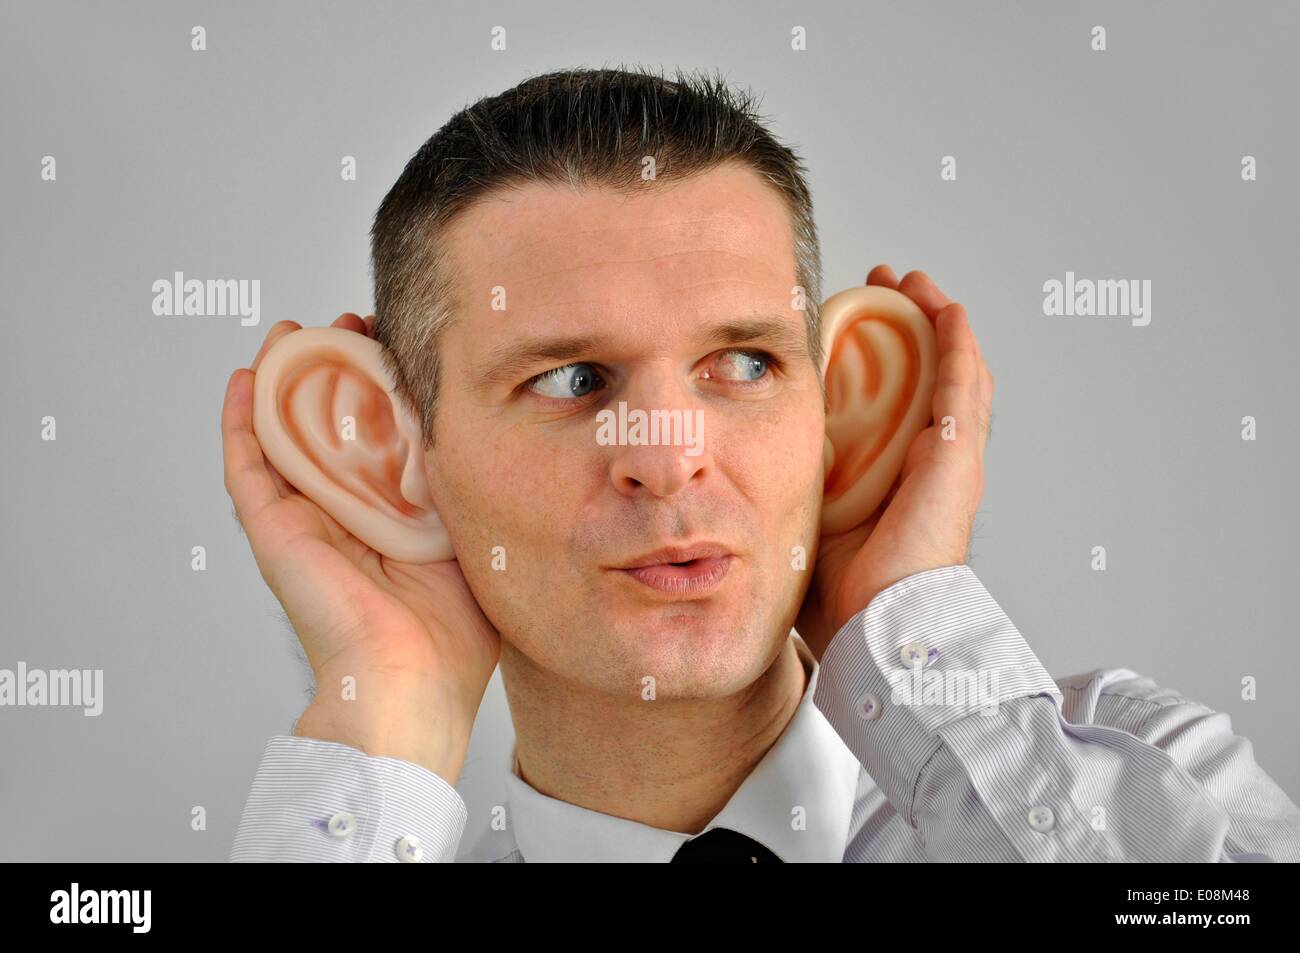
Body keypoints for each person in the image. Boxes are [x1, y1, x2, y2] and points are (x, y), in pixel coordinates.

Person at [221, 66, 1300, 862]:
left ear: (847, 410)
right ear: (390, 459)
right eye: (572, 382)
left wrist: (916, 637)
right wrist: (384, 711)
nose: (670, 459)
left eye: (742, 361)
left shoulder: (1141, 775)